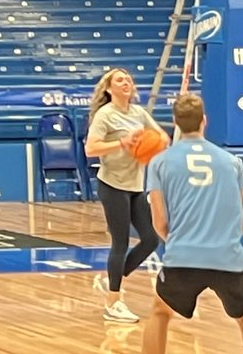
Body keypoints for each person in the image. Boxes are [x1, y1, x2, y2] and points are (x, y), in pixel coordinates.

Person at [143, 92, 243, 354]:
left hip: (183, 257)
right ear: (204, 121)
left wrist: (182, 239)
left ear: (175, 123)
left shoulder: (159, 163)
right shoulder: (231, 161)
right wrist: (227, 235)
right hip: (227, 257)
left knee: (160, 312)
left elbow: (159, 222)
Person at [85, 66, 165, 323]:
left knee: (151, 239)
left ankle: (112, 279)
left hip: (135, 184)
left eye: (128, 79)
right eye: (119, 80)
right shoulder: (105, 115)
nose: (126, 82)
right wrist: (122, 143)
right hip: (112, 184)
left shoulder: (139, 113)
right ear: (109, 89)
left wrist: (154, 142)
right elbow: (91, 149)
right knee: (120, 243)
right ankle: (113, 302)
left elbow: (162, 136)